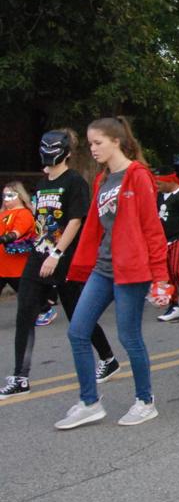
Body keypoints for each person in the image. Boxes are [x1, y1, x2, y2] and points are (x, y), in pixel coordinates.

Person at [54, 117, 170, 429]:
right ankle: (90, 402)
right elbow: (95, 228)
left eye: (97, 142)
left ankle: (145, 401)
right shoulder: (103, 179)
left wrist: (161, 278)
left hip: (131, 270)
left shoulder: (137, 176)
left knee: (128, 336)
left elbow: (152, 229)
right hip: (103, 268)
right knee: (77, 331)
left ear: (116, 141)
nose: (92, 149)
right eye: (90, 143)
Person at [1, 130, 118, 400]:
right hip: (37, 256)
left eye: (52, 148)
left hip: (64, 259)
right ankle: (20, 376)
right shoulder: (42, 183)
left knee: (79, 315)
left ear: (65, 152)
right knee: (24, 315)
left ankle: (108, 358)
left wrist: (56, 253)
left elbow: (76, 220)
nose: (47, 153)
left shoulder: (74, 181)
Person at [155, 169, 179, 322]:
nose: (156, 185)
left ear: (169, 181)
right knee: (167, 274)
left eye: (159, 182)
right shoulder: (159, 196)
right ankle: (174, 305)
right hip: (164, 240)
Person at [0, 182, 35, 294]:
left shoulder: (24, 213)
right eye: (4, 195)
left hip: (17, 268)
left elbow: (17, 233)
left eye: (10, 195)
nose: (6, 198)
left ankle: (45, 311)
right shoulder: (2, 213)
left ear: (20, 195)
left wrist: (4, 238)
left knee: (30, 301)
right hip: (2, 266)